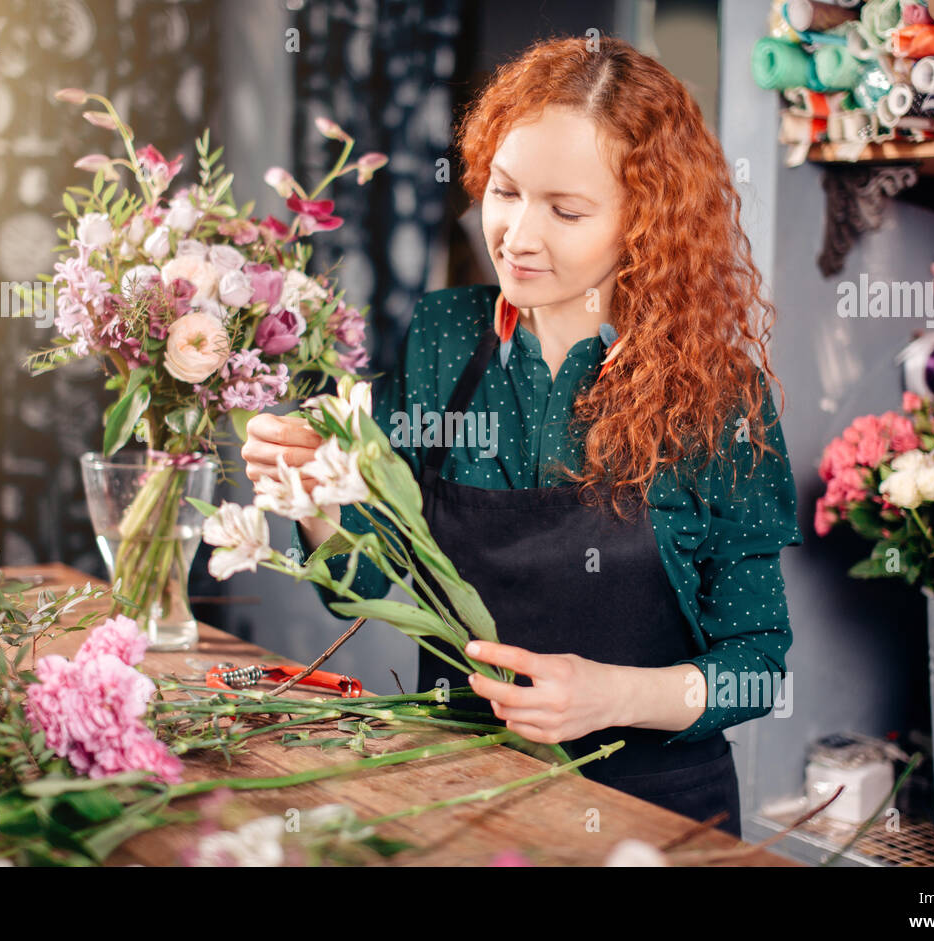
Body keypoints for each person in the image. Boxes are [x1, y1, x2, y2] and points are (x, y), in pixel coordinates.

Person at [242, 35, 803, 840]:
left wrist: (611, 696)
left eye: (566, 211)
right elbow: (358, 575)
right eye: (505, 193)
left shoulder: (720, 400)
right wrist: (317, 496)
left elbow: (758, 671)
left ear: (648, 221)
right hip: (460, 788)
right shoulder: (445, 338)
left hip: (656, 815)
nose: (517, 236)